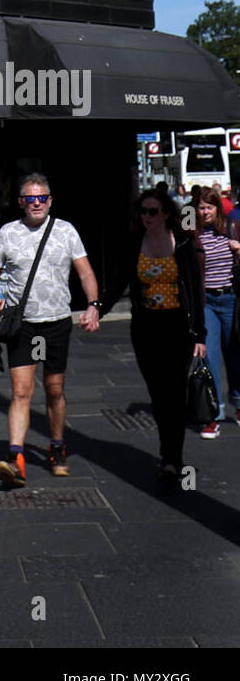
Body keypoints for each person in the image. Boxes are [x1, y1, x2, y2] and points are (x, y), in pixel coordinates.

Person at [0, 174, 101, 487]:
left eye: (41, 198)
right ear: (21, 202)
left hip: (57, 322)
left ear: (50, 200)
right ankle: (16, 458)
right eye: (30, 199)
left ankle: (57, 447)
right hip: (24, 325)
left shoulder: (66, 231)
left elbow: (84, 272)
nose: (36, 204)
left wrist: (93, 305)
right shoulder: (8, 233)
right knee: (21, 392)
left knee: (54, 389)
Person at [98, 190, 206, 485]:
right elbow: (119, 281)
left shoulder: (182, 244)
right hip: (146, 327)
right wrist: (98, 309)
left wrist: (200, 334)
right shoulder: (135, 243)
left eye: (153, 211)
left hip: (178, 327)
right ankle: (168, 452)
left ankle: (172, 459)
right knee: (159, 394)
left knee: (175, 394)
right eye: (143, 211)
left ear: (167, 213)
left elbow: (195, 292)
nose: (147, 217)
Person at [188, 187, 239, 439]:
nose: (205, 212)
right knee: (209, 356)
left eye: (209, 207)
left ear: (217, 208)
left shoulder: (231, 228)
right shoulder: (194, 235)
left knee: (235, 354)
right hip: (206, 302)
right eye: (201, 207)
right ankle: (213, 414)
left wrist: (238, 250)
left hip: (230, 299)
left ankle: (238, 403)